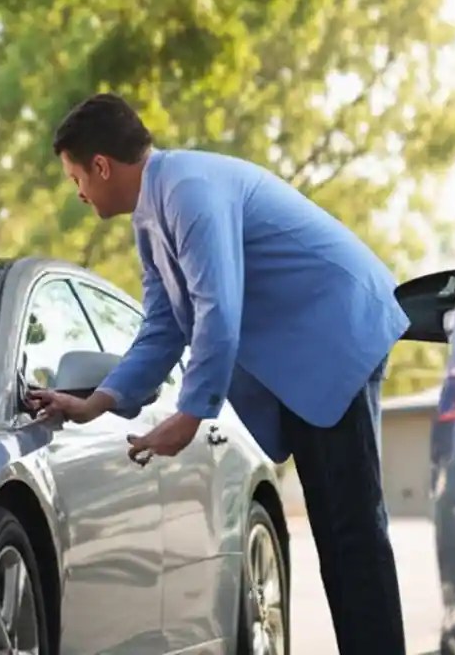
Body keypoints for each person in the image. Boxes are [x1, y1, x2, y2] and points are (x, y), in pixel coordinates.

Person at [26, 93, 409, 655]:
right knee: (335, 533)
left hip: (337, 332)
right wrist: (98, 401)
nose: (78, 192)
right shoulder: (152, 218)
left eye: (75, 177)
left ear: (101, 166)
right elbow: (163, 326)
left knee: (353, 530)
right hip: (305, 355)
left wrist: (189, 415)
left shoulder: (187, 190)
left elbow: (217, 310)